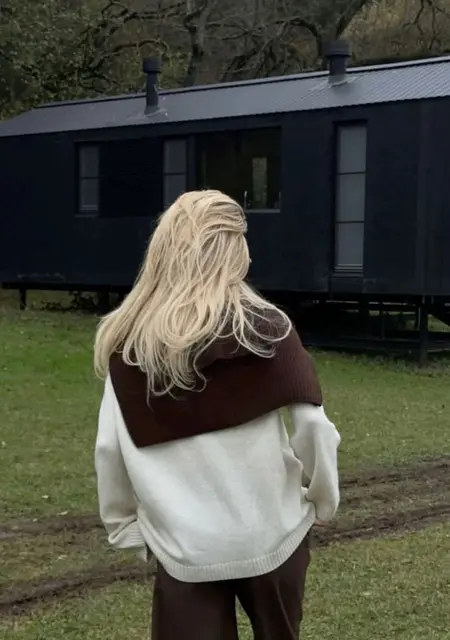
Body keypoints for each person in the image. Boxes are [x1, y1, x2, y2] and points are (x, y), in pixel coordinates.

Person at [94, 189, 341, 640]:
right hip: (274, 535)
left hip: (186, 549)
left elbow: (110, 448)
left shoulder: (131, 346)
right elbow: (314, 429)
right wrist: (322, 498)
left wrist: (125, 528)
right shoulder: (267, 329)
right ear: (235, 252)